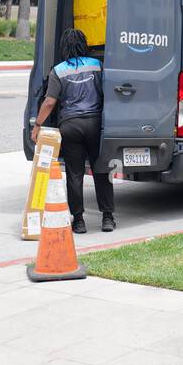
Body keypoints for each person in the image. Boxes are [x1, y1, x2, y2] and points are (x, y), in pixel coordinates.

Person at [30, 28, 116, 234]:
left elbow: (50, 101)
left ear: (64, 47)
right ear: (84, 45)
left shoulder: (58, 71)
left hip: (70, 127)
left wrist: (38, 124)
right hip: (95, 125)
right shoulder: (97, 66)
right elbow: (108, 94)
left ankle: (78, 221)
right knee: (102, 171)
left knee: (75, 174)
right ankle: (107, 218)